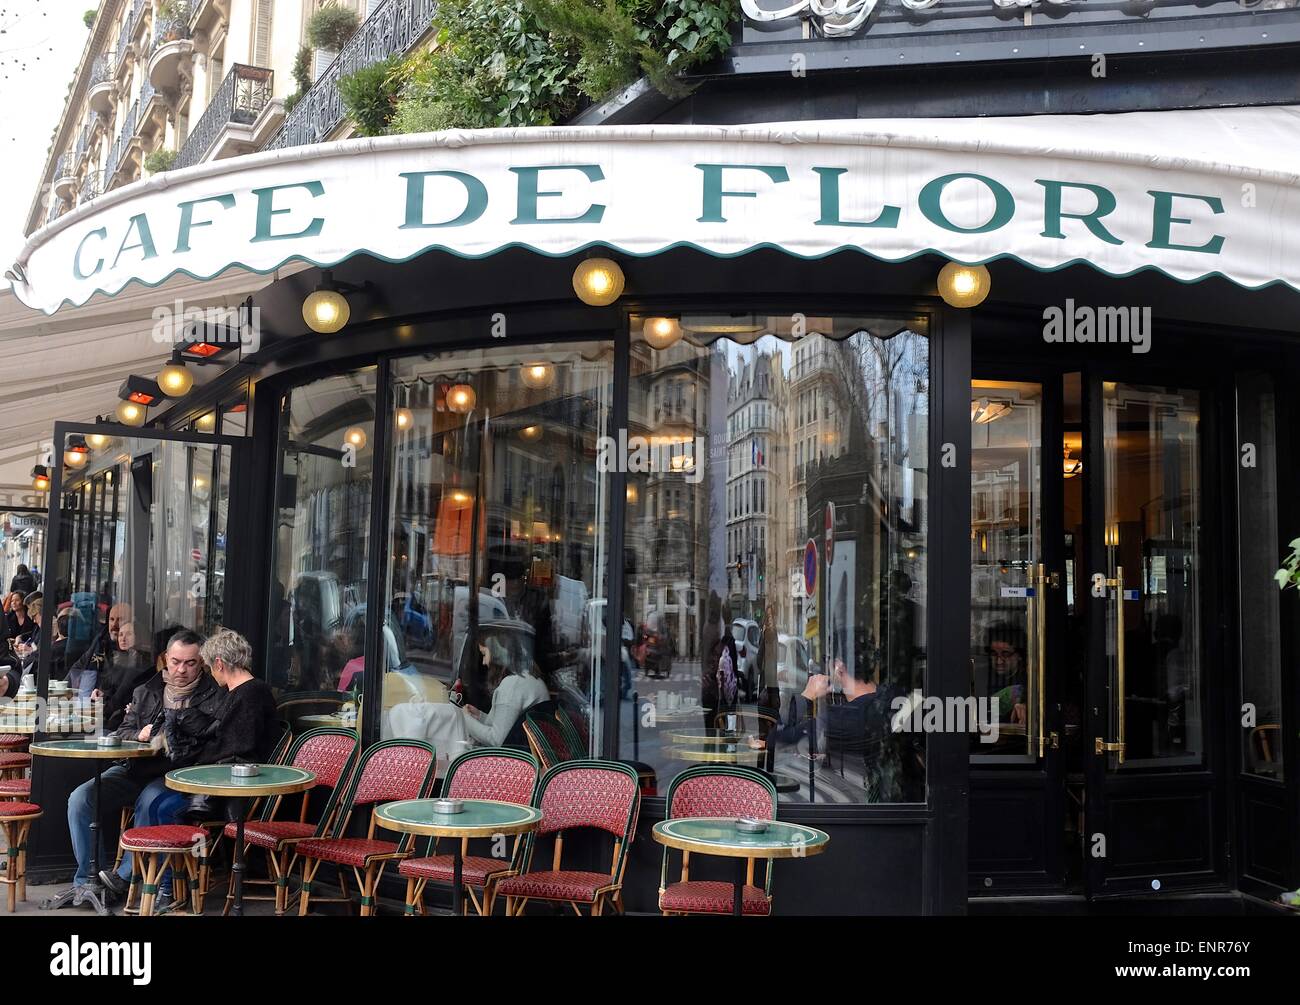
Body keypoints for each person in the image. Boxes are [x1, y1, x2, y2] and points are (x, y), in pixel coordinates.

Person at [65, 630, 220, 904]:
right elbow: (121, 732)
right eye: (175, 661)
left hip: (173, 775)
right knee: (80, 799)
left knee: (150, 798)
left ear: (202, 663)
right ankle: (90, 881)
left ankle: (123, 879)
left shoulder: (212, 697)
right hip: (135, 768)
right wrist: (139, 735)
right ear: (165, 660)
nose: (181, 670)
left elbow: (208, 747)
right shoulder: (146, 690)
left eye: (190, 663)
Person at [462, 636, 550, 747]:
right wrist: (479, 716)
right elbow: (506, 724)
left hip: (516, 760)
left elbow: (497, 740)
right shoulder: (530, 678)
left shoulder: (512, 686)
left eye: (484, 654)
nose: (484, 662)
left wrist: (464, 719)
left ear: (497, 654)